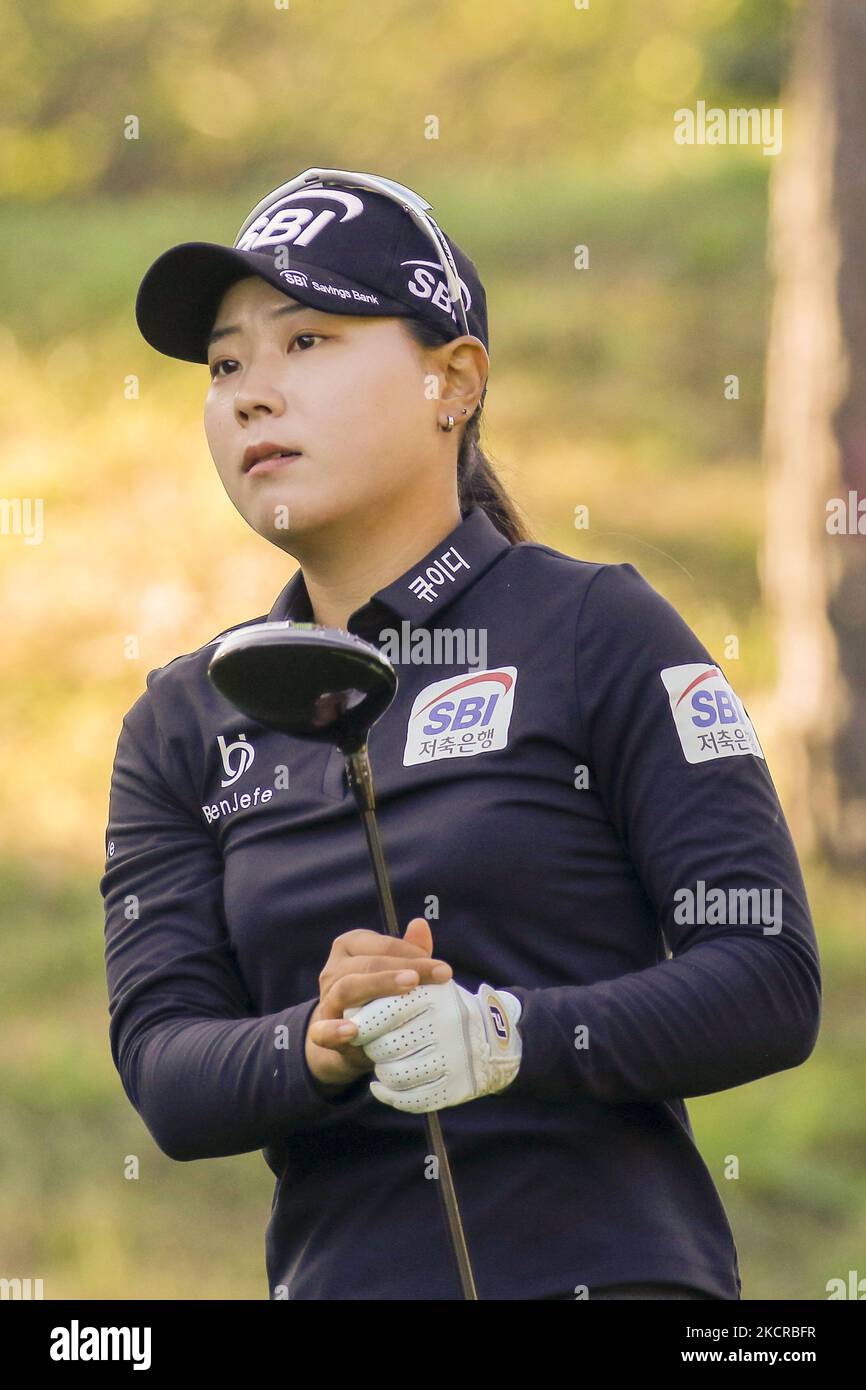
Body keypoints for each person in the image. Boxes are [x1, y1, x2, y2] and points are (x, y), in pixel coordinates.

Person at [100, 167, 821, 1301]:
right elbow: (164, 1067)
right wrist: (314, 1042)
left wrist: (505, 1033)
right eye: (226, 364)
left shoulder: (598, 627)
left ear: (454, 378)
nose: (248, 393)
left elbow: (766, 977)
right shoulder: (184, 718)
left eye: (307, 342)